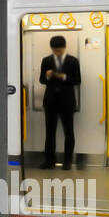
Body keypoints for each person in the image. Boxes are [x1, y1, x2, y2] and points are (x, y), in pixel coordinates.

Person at [39, 34, 81, 169]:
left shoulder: (73, 61)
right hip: (50, 101)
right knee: (49, 132)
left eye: (59, 50)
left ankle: (67, 161)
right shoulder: (46, 61)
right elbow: (41, 80)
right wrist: (47, 76)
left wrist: (63, 77)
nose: (57, 53)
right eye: (54, 50)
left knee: (69, 132)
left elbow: (77, 80)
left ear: (64, 48)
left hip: (67, 102)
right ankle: (49, 161)